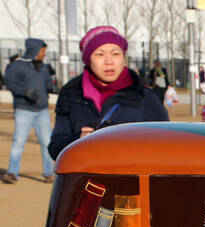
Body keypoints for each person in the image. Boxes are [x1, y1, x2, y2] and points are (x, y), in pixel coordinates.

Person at [49, 26, 168, 159]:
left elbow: (166, 145)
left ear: (123, 57)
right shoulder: (71, 94)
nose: (109, 61)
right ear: (88, 59)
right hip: (87, 177)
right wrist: (77, 141)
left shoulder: (144, 96)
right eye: (100, 54)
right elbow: (55, 148)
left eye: (115, 54)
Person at [3, 38, 58, 183]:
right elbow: (9, 83)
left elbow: (47, 86)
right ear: (35, 50)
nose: (44, 54)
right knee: (19, 142)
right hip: (24, 110)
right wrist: (25, 92)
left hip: (42, 111)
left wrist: (52, 85)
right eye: (42, 50)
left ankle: (49, 173)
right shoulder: (17, 66)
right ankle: (12, 172)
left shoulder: (44, 67)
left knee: (47, 143)